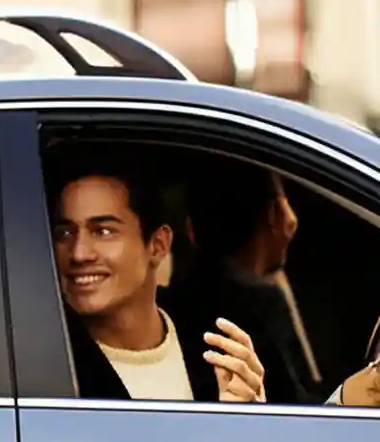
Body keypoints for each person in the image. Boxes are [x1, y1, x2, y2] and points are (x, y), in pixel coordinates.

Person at [47, 157, 267, 403]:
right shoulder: (41, 363)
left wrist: (245, 421)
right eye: (64, 233)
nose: (79, 253)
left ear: (158, 245)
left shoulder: (221, 347)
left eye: (103, 231)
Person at [170, 161, 322, 403]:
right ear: (273, 215)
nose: (293, 221)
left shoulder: (182, 305)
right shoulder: (254, 312)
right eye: (283, 201)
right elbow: (297, 407)